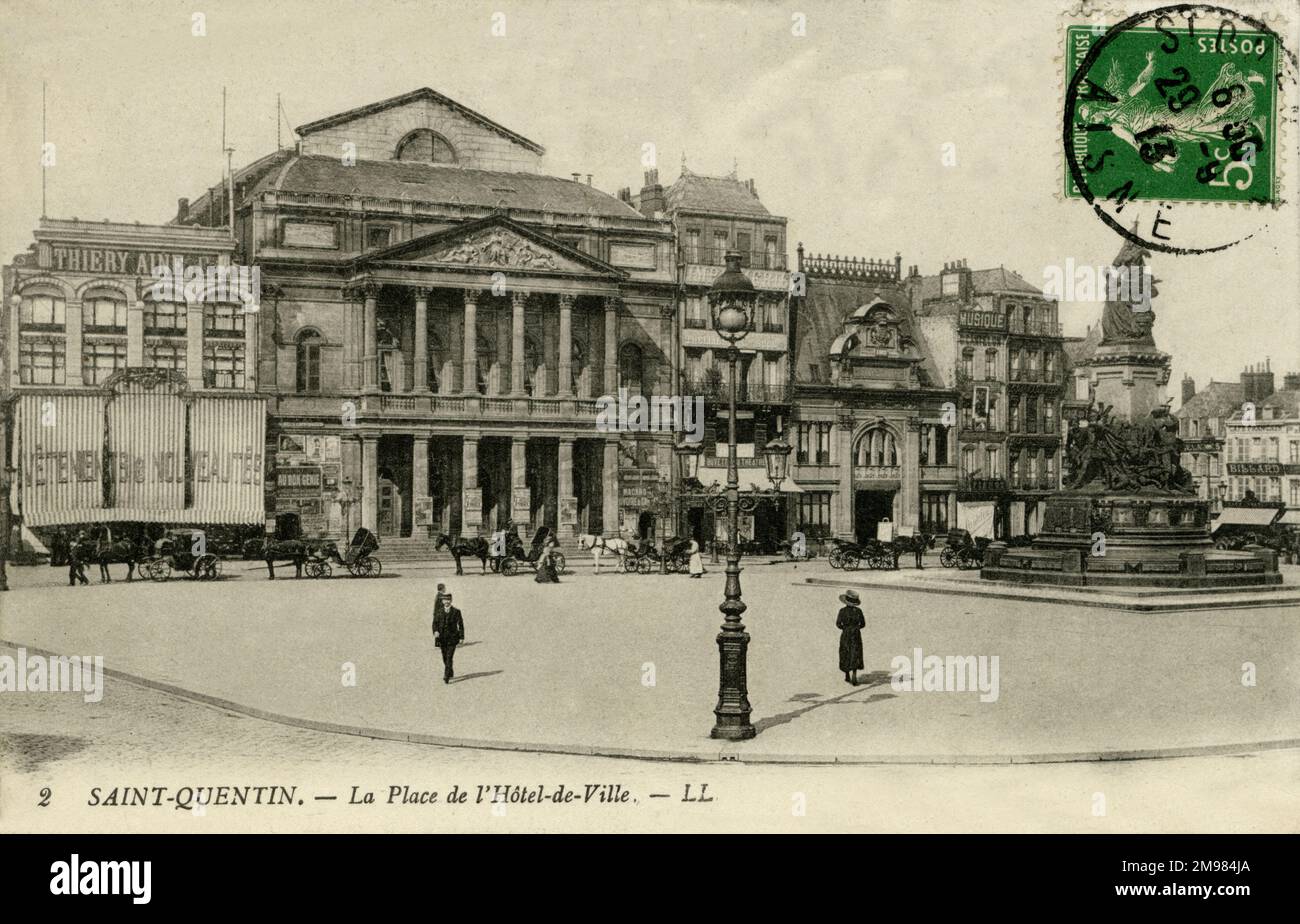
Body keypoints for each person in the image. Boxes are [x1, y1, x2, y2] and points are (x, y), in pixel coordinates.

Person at [432, 592, 465, 684]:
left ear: (451, 601)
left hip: (452, 638)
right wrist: (435, 631)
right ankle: (450, 670)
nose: (447, 602)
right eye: (445, 600)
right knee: (444, 657)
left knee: (449, 657)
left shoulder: (456, 611)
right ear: (442, 601)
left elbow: (461, 625)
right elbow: (435, 623)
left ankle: (446, 676)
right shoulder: (439, 612)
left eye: (448, 600)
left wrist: (461, 637)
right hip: (442, 638)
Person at [836, 590, 865, 685]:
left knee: (845, 652)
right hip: (856, 633)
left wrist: (845, 628)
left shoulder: (842, 611)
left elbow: (838, 624)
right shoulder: (858, 611)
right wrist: (856, 628)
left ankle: (847, 674)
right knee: (855, 653)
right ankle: (854, 674)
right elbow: (863, 624)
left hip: (846, 633)